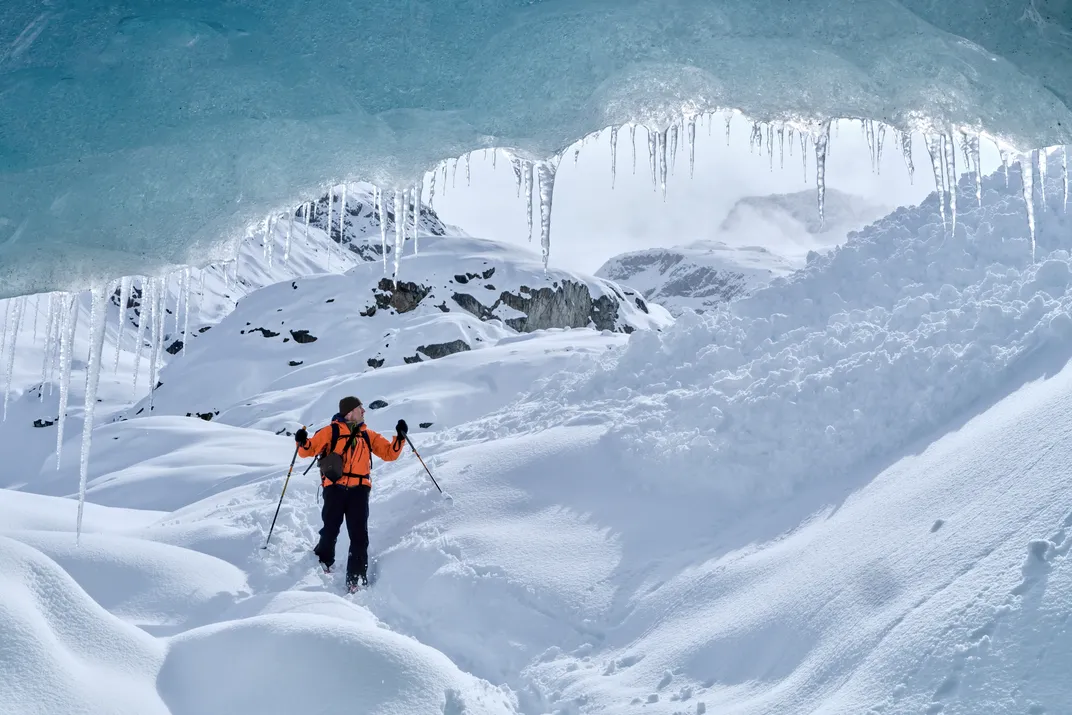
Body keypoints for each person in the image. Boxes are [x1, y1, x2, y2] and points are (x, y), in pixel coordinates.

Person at [294, 395, 408, 590]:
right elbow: (308, 450)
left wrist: (400, 437)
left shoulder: (367, 435)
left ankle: (356, 578)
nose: (364, 411)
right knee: (330, 529)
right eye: (360, 408)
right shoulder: (331, 431)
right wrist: (301, 441)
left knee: (359, 536)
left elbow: (389, 453)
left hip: (359, 491)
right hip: (335, 488)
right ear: (349, 412)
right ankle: (323, 562)